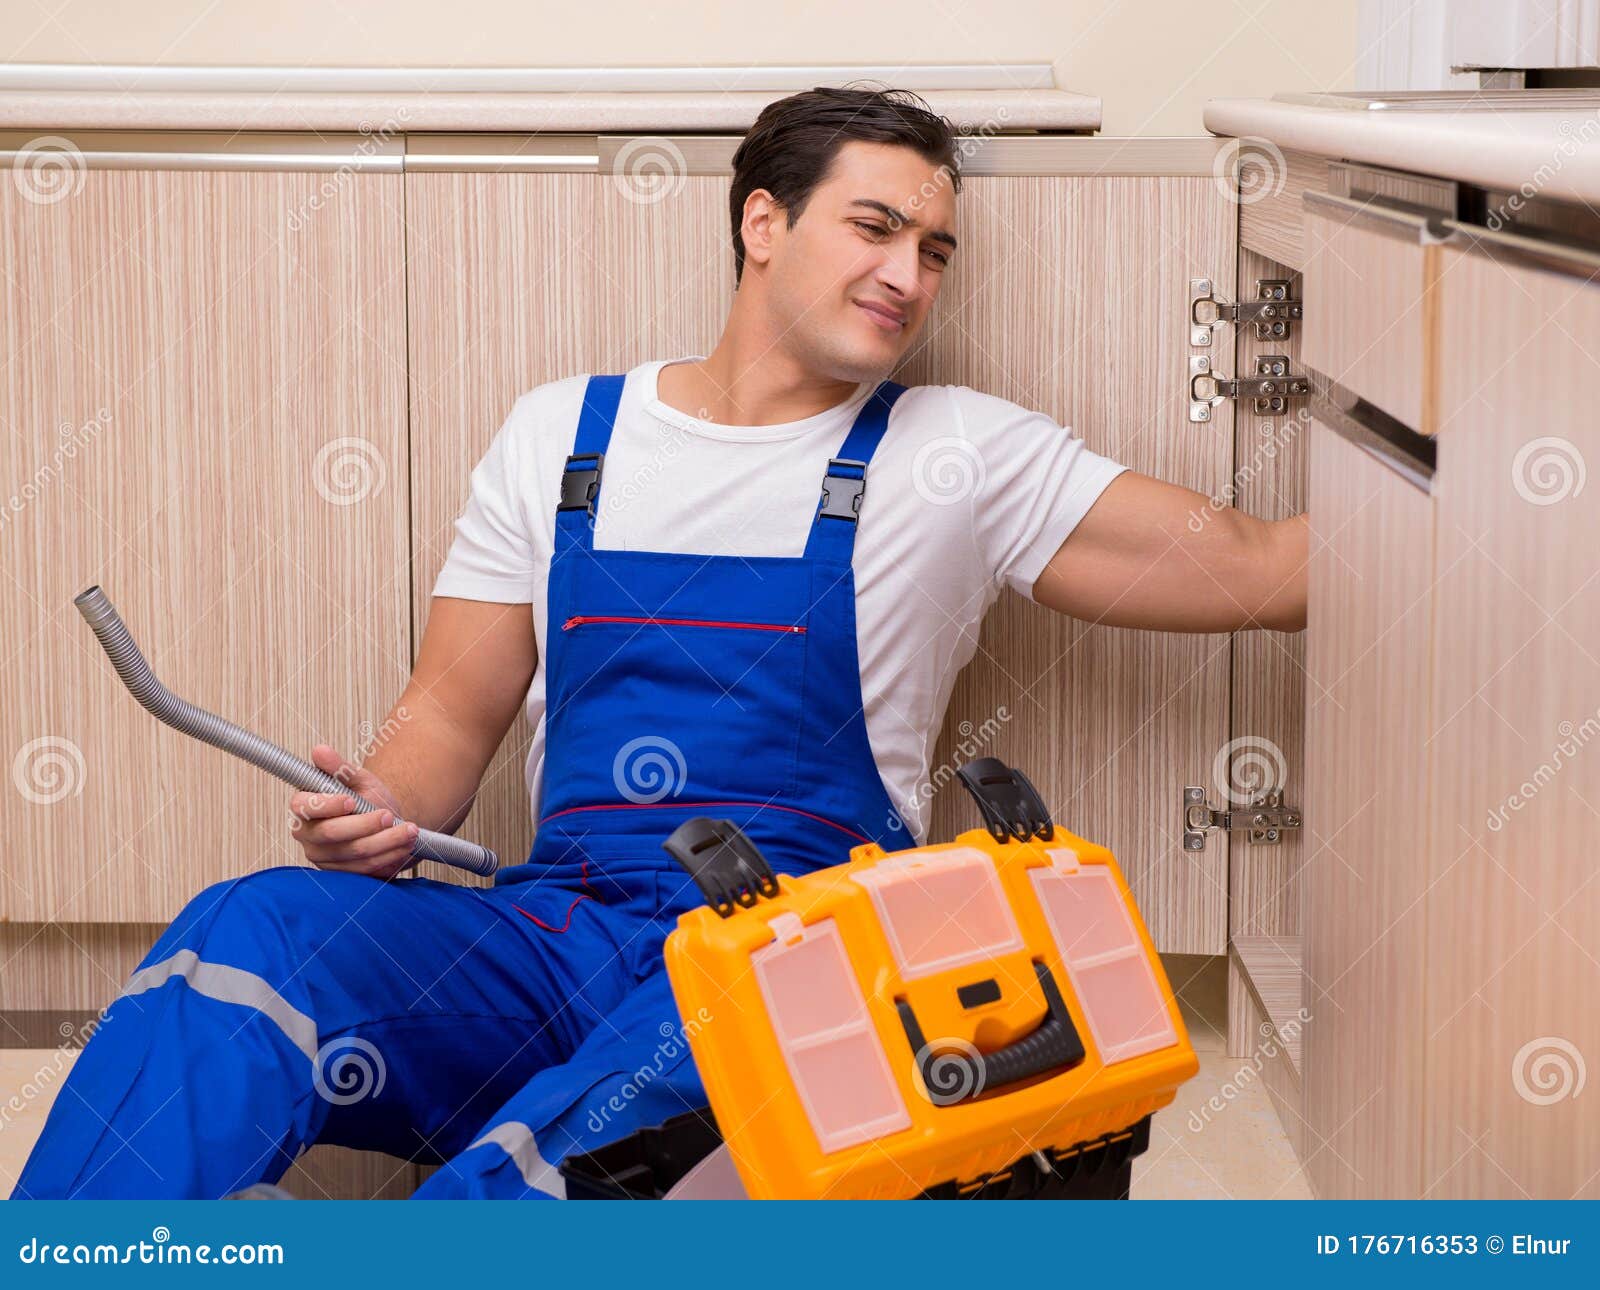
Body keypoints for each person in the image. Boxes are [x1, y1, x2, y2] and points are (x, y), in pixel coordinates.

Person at [15, 85, 1307, 1200]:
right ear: (762, 223)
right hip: (555, 935)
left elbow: (1260, 569)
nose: (909, 276)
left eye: (936, 250)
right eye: (874, 227)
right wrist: (376, 811)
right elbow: (446, 719)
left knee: (567, 1154)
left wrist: (1423, 440)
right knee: (244, 938)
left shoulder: (961, 455)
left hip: (794, 965)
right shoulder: (562, 436)